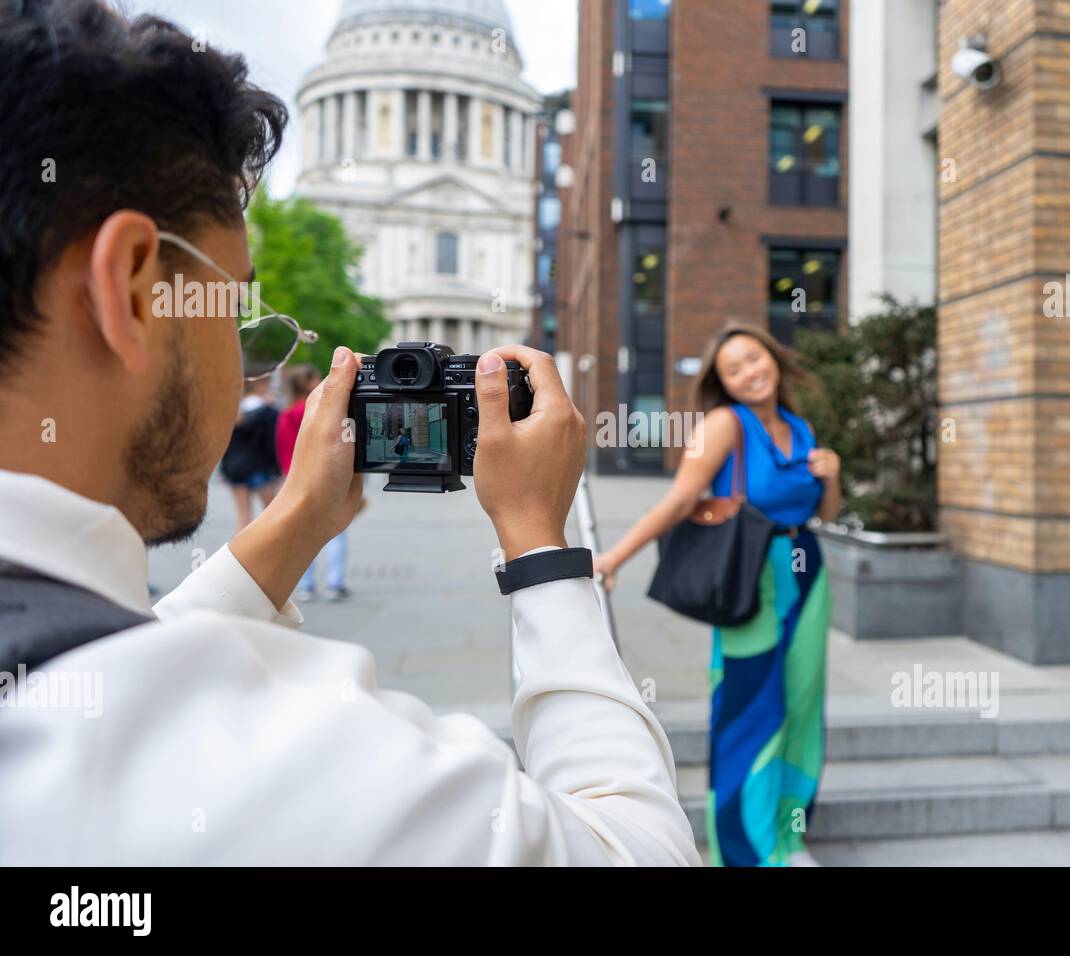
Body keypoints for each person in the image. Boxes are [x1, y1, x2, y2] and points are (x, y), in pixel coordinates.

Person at [0, 0, 699, 866]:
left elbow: (100, 665)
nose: (251, 354)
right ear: (136, 289)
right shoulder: (294, 768)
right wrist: (543, 553)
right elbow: (640, 851)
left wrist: (294, 525)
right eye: (239, 303)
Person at [594, 323, 842, 867]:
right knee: (751, 708)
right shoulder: (726, 424)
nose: (750, 372)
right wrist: (614, 557)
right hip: (751, 578)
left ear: (773, 359)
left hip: (807, 574)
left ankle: (789, 836)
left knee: (801, 706)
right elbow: (681, 500)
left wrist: (832, 478)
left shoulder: (801, 427)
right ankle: (747, 852)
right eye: (735, 369)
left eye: (755, 359)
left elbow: (826, 515)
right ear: (723, 383)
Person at [276, 364, 349, 602]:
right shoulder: (320, 411)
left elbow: (285, 452)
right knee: (336, 532)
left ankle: (306, 585)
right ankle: (334, 583)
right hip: (328, 477)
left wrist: (292, 480)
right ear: (307, 383)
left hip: (300, 479)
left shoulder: (287, 414)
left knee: (302, 534)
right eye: (316, 376)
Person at [221, 377, 282, 531]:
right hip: (260, 468)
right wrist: (276, 469)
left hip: (236, 468)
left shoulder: (235, 411)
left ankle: (239, 554)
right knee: (272, 513)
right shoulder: (268, 412)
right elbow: (272, 443)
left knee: (243, 517)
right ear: (261, 385)